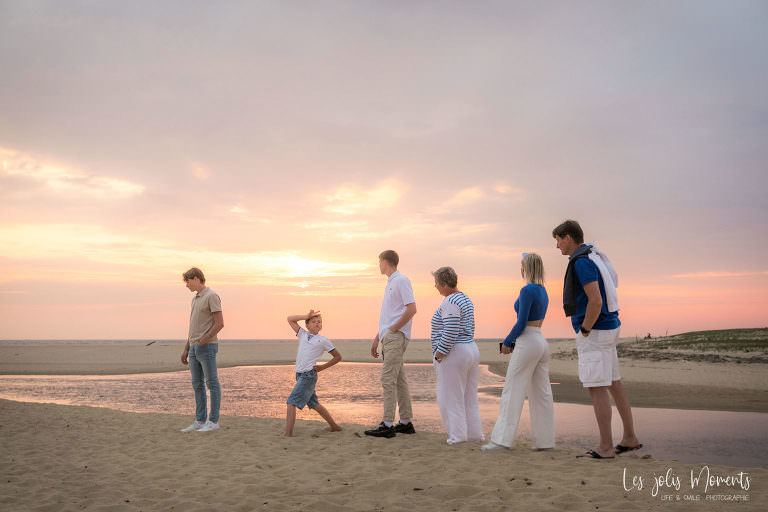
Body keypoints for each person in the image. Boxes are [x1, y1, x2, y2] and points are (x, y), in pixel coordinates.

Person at [552, 220, 642, 458]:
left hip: (596, 331)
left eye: (558, 240)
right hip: (609, 327)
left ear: (569, 237)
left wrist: (584, 329)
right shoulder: (594, 256)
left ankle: (605, 447)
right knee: (614, 382)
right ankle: (630, 437)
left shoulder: (582, 262)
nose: (557, 246)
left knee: (597, 387)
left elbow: (595, 300)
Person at [482, 253, 554, 451]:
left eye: (522, 265)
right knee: (542, 393)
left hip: (528, 341)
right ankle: (546, 442)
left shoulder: (527, 290)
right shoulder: (543, 290)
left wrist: (507, 341)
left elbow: (521, 323)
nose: (520, 268)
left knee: (512, 391)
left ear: (527, 268)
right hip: (541, 340)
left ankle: (500, 442)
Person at [365, 250, 417, 438]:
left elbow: (412, 309)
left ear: (386, 262)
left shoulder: (401, 280)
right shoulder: (391, 283)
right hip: (388, 337)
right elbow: (388, 316)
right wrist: (377, 338)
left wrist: (394, 330)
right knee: (400, 381)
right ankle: (405, 422)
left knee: (388, 380)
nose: (378, 265)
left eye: (379, 262)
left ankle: (387, 424)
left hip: (396, 337)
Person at [430, 266, 484, 445]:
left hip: (456, 352)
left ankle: (458, 435)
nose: (435, 286)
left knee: (451, 397)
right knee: (469, 396)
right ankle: (474, 434)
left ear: (444, 283)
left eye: (436, 282)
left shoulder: (451, 302)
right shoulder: (465, 299)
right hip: (470, 348)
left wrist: (439, 354)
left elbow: (451, 330)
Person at [285, 309, 343, 437]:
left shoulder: (323, 340)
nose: (317, 323)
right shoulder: (303, 334)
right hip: (299, 374)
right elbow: (290, 318)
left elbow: (338, 357)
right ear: (307, 325)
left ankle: (288, 435)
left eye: (319, 322)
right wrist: (305, 315)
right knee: (314, 404)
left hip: (308, 375)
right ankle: (334, 427)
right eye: (314, 321)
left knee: (291, 402)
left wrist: (322, 367)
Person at [180, 267, 224, 433]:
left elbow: (219, 323)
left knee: (212, 383)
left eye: (188, 281)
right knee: (197, 384)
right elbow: (193, 327)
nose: (187, 285)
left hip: (206, 347)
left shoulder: (211, 296)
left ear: (197, 278)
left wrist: (203, 341)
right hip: (193, 347)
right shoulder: (195, 299)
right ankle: (200, 420)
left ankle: (213, 421)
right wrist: (186, 348)